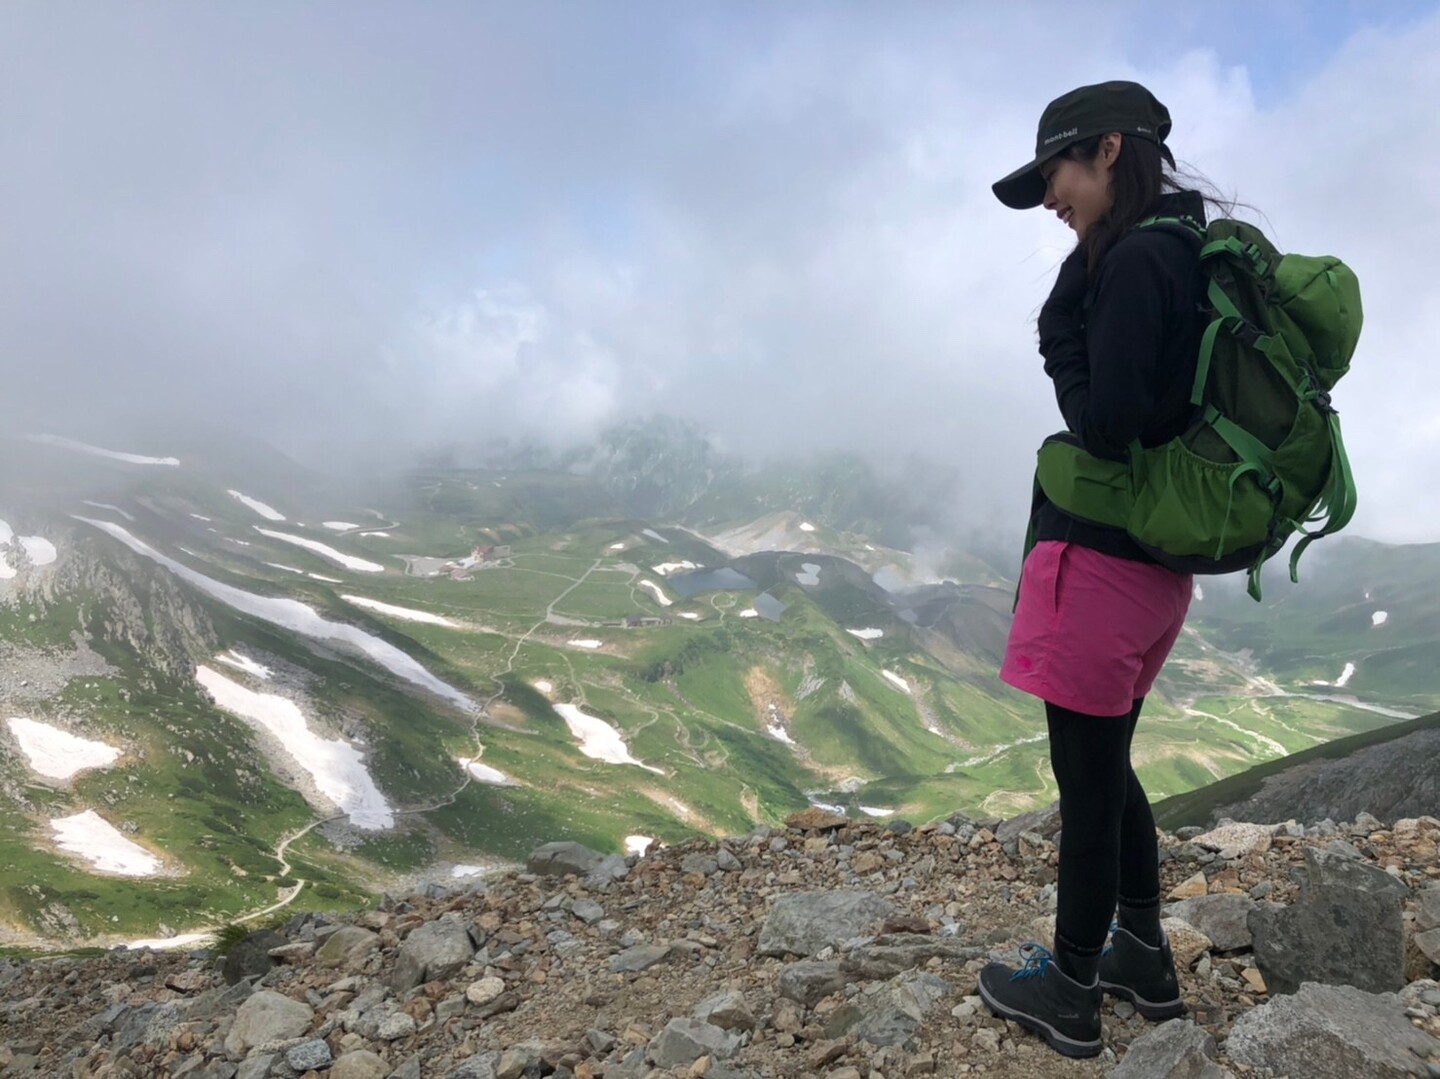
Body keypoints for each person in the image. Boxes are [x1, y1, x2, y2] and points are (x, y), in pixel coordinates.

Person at [977, 80, 1218, 1058]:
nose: (1048, 199)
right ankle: (1142, 954)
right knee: (1107, 764)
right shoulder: (1182, 250)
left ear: (1110, 151)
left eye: (1057, 173)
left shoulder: (1134, 266)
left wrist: (1056, 342)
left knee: (1084, 779)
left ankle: (1072, 985)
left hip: (1104, 561)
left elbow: (1108, 422)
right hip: (1156, 570)